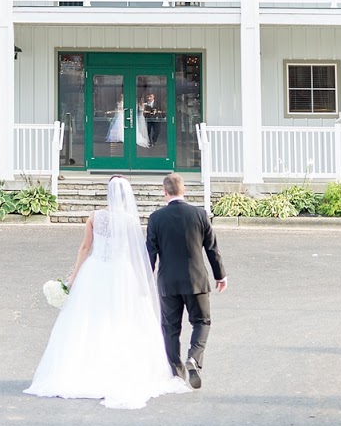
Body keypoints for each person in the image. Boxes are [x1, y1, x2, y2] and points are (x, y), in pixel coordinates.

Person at [25, 176, 189, 409]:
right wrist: (142, 283)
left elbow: (85, 248)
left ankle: (83, 370)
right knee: (121, 320)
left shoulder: (95, 217)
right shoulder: (130, 222)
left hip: (96, 272)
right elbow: (136, 255)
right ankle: (123, 370)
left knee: (88, 321)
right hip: (122, 274)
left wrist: (73, 278)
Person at [145, 171, 227, 389]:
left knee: (170, 328)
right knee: (202, 322)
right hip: (196, 280)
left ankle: (177, 373)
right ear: (184, 190)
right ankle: (194, 358)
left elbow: (150, 254)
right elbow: (212, 248)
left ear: (165, 192)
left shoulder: (156, 218)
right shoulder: (200, 215)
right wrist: (220, 275)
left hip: (168, 283)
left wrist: (145, 279)